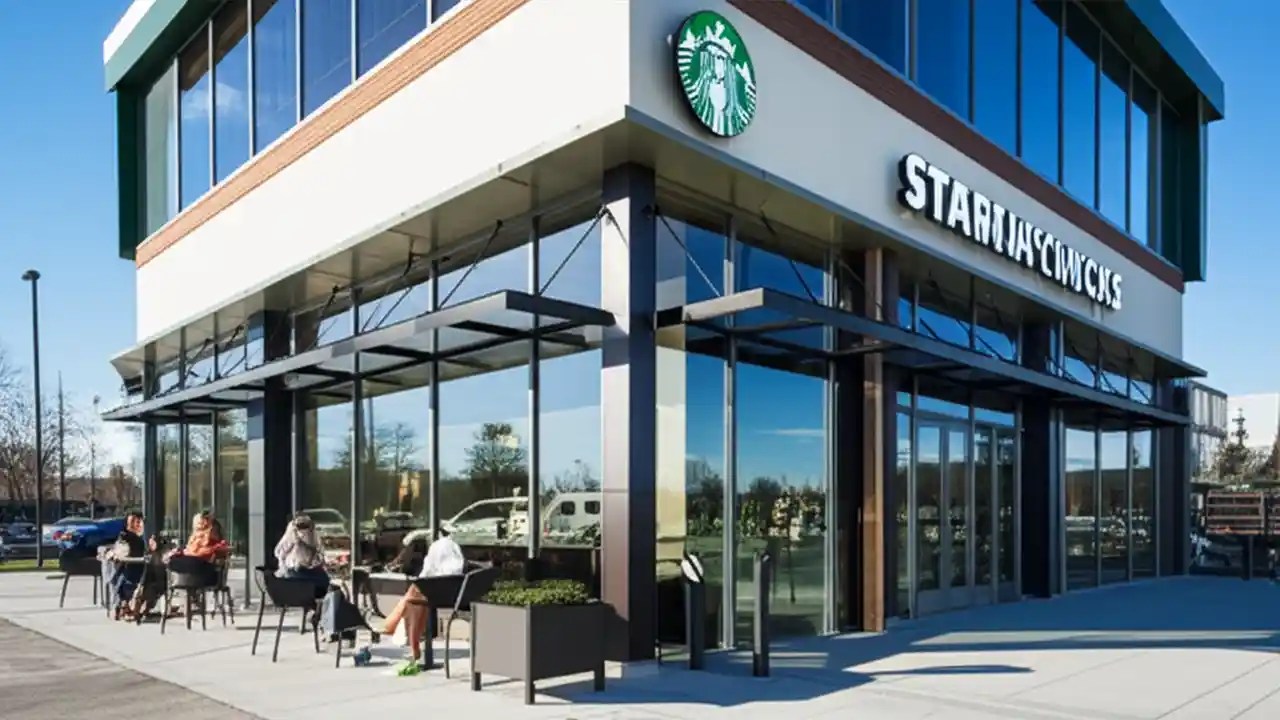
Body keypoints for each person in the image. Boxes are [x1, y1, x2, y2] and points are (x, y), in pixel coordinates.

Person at [381, 531, 466, 663]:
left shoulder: (436, 549)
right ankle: (391, 626)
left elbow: (426, 574)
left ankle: (397, 632)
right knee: (413, 596)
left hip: (436, 596)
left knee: (413, 596)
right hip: (454, 595)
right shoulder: (455, 552)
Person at [108, 511, 151, 620]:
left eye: (136, 522)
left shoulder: (140, 539)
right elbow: (119, 549)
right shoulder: (125, 536)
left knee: (121, 577)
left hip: (138, 569)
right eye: (130, 522)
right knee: (118, 575)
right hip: (127, 568)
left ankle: (121, 604)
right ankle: (122, 603)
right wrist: (113, 553)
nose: (132, 525)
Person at [274, 513, 330, 592]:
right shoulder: (319, 576)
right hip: (309, 588)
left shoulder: (287, 575)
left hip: (293, 588)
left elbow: (278, 553)